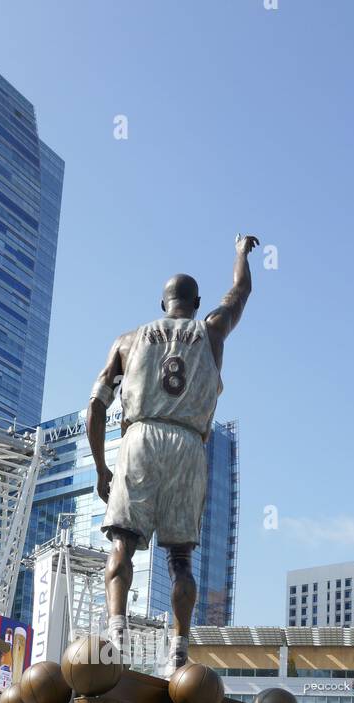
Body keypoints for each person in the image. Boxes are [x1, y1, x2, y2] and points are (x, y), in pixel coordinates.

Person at [87, 234, 260, 675]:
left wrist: (103, 469)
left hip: (140, 438)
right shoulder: (210, 331)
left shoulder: (127, 340)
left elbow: (95, 405)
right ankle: (179, 650)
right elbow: (239, 294)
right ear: (196, 303)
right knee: (180, 559)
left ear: (162, 303)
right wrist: (239, 251)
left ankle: (116, 635)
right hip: (187, 442)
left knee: (123, 545)